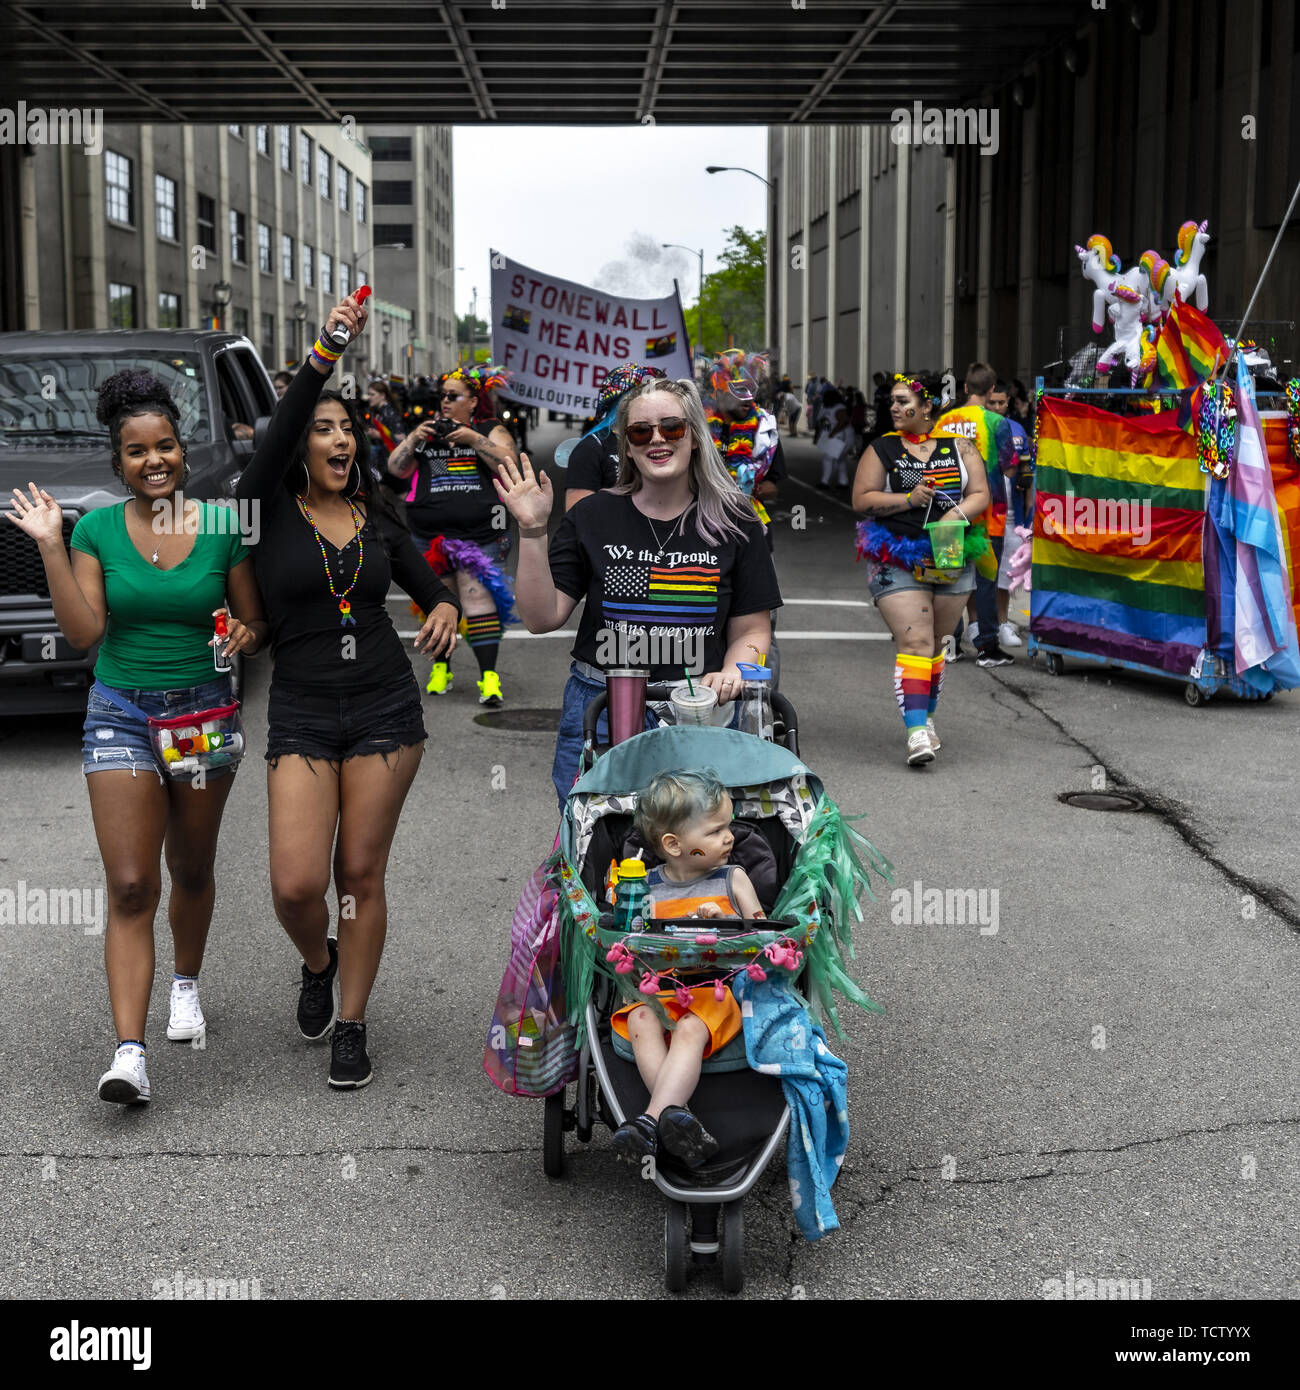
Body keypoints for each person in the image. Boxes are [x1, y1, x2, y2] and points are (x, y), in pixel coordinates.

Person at [4, 372, 268, 1105]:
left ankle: (186, 984)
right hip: (120, 711)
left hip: (203, 718)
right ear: (117, 461)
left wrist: (247, 631)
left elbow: (255, 622)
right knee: (128, 885)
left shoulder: (220, 526)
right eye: (136, 451)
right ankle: (130, 1054)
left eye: (166, 447)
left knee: (191, 865)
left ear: (184, 452)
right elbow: (85, 631)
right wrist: (51, 547)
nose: (154, 461)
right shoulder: (94, 530)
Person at [235, 292, 462, 1091]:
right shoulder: (264, 508)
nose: (338, 439)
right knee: (297, 884)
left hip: (384, 710)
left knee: (359, 877)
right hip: (300, 709)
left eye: (347, 430)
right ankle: (318, 958)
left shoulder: (379, 513)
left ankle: (354, 1024)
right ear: (298, 446)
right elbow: (280, 428)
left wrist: (443, 609)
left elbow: (436, 590)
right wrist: (326, 351)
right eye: (322, 429)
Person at [495, 374, 782, 808]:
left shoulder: (735, 519)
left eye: (672, 428)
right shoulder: (593, 514)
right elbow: (541, 618)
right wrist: (532, 530)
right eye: (640, 431)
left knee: (692, 847)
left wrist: (734, 672)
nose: (657, 440)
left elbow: (752, 631)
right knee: (599, 846)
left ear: (695, 438)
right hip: (601, 704)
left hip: (697, 711)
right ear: (626, 446)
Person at [607, 770, 763, 1166]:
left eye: (728, 826)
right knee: (640, 1017)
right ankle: (680, 1123)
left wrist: (727, 922)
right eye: (714, 832)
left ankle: (648, 1121)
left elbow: (763, 935)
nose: (729, 837)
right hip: (659, 988)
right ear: (673, 845)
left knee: (691, 1027)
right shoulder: (645, 889)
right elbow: (629, 941)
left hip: (716, 990)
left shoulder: (733, 879)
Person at [852, 372, 991, 766]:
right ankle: (916, 734)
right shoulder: (882, 449)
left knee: (936, 645)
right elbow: (862, 500)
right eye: (892, 402)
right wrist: (908, 498)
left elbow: (981, 492)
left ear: (927, 406)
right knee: (914, 643)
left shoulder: (960, 447)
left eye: (903, 401)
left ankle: (926, 718)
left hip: (951, 553)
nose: (894, 408)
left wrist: (955, 514)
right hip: (896, 557)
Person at [386, 365, 518, 706]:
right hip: (429, 537)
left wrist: (473, 439)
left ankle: (489, 679)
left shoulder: (489, 429)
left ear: (474, 402)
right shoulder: (428, 431)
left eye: (453, 396)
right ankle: (441, 670)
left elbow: (510, 461)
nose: (444, 402)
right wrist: (414, 438)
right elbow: (396, 469)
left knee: (478, 603)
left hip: (479, 536)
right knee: (439, 605)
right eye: (442, 396)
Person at [706, 350, 786, 687]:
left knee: (761, 623)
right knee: (709, 617)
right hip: (702, 531)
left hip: (750, 532)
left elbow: (774, 485)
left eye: (752, 393)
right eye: (739, 393)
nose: (747, 401)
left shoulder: (763, 428)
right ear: (719, 390)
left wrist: (746, 485)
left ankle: (762, 701)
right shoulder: (695, 426)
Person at [933, 362, 1017, 667]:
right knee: (985, 581)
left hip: (946, 513)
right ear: (992, 390)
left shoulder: (944, 420)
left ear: (965, 388)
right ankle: (987, 647)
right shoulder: (996, 422)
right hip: (986, 516)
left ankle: (948, 643)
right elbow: (1009, 465)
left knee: (947, 578)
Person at [563, 363, 666, 513]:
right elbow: (578, 517)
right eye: (640, 395)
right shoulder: (590, 448)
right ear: (621, 402)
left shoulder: (658, 439)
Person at [986, 380, 1033, 647]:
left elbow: (1027, 480)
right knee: (976, 573)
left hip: (1010, 516)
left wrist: (1027, 521)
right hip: (980, 514)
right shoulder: (976, 427)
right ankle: (976, 625)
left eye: (1001, 402)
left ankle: (1002, 624)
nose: (996, 407)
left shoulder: (1017, 431)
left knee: (1006, 572)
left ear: (1008, 403)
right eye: (991, 402)